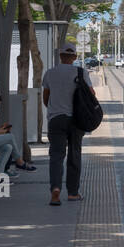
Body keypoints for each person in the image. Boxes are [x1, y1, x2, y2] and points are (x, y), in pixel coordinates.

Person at [42, 43, 85, 206]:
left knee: (56, 156)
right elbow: (91, 94)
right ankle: (73, 193)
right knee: (74, 155)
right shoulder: (80, 72)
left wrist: (54, 109)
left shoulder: (50, 73)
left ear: (60, 56)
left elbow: (46, 97)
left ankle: (55, 190)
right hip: (76, 120)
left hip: (56, 119)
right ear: (74, 57)